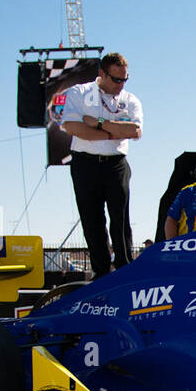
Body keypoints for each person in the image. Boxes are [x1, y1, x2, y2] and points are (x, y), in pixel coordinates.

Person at [60, 52, 143, 278]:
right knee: (92, 220)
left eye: (124, 79)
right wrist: (112, 133)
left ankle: (125, 270)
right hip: (85, 163)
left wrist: (97, 123)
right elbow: (73, 128)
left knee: (120, 219)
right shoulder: (80, 92)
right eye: (115, 79)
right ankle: (101, 272)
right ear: (102, 74)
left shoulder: (131, 100)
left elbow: (134, 131)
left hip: (116, 164)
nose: (120, 84)